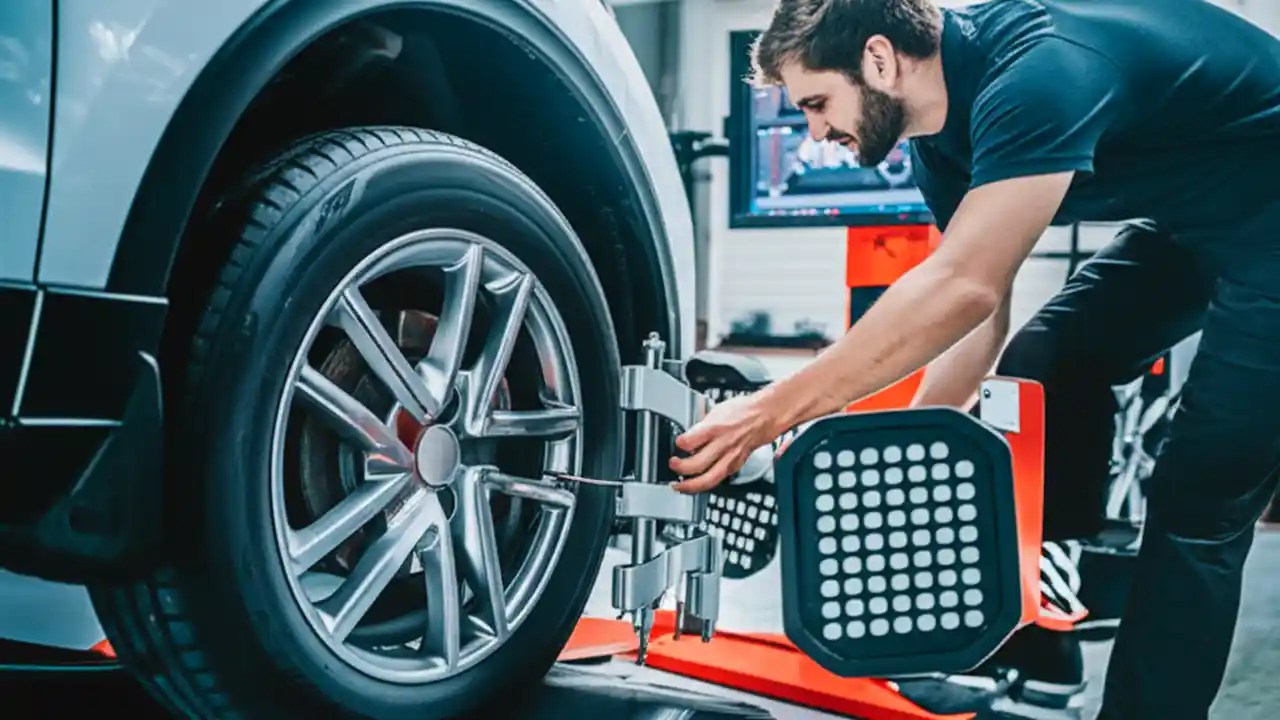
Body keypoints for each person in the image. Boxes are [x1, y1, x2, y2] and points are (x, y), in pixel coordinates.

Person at [668, 1, 1280, 718]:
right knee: (1043, 361)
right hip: (1203, 217)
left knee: (1196, 503)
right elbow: (981, 314)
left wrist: (767, 413)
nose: (815, 131)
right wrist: (899, 467)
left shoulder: (1039, 75)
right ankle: (1050, 587)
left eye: (815, 102)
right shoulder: (940, 143)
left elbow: (962, 288)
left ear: (878, 60)